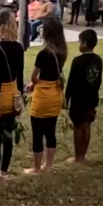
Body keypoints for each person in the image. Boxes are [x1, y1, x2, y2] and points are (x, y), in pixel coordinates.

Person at [0, 9, 24, 186]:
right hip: (14, 93)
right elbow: (21, 76)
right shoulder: (19, 48)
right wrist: (20, 99)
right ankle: (4, 172)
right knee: (8, 136)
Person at [24, 16, 67, 174]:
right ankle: (48, 165)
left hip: (42, 97)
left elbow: (34, 77)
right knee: (51, 131)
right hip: (55, 95)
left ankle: (36, 168)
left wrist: (32, 84)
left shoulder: (43, 54)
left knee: (37, 133)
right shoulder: (62, 52)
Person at [64, 29, 102, 164]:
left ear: (84, 44)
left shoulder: (78, 61)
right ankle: (84, 155)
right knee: (87, 126)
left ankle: (78, 156)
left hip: (78, 99)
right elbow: (98, 80)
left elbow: (71, 82)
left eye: (80, 42)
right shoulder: (98, 60)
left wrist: (67, 97)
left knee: (78, 127)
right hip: (92, 98)